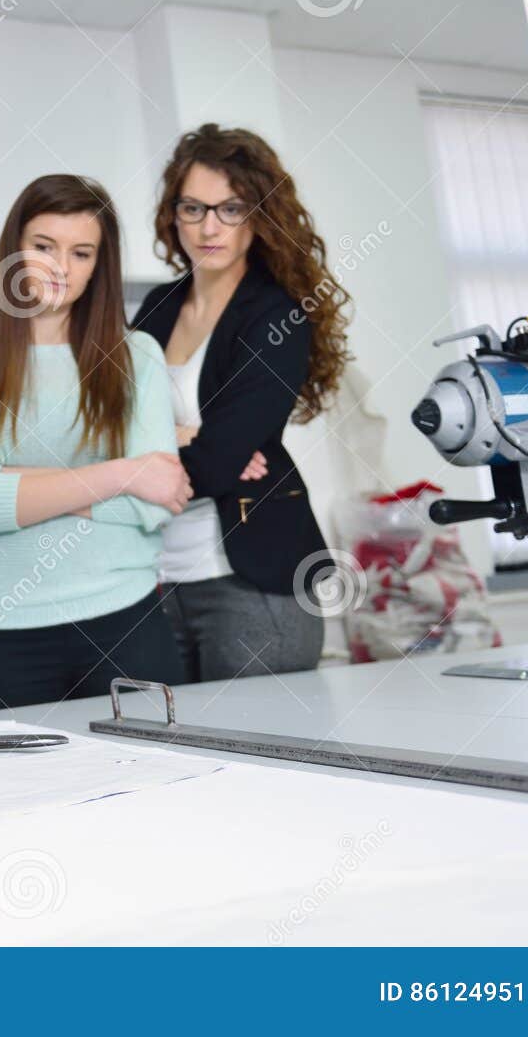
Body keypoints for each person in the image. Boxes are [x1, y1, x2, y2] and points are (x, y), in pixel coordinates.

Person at [0, 175, 193, 714]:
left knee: (162, 791)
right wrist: (123, 472)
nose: (60, 268)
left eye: (81, 253)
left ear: (100, 265)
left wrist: (17, 485)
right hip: (3, 633)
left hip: (127, 623)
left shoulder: (136, 356)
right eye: (43, 247)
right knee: (19, 799)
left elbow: (157, 502)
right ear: (14, 251)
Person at [131, 123, 350, 682]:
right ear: (172, 214)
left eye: (231, 209)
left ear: (260, 214)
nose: (209, 228)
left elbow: (217, 461)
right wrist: (184, 441)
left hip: (251, 586)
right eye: (193, 209)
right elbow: (110, 424)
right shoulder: (158, 306)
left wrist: (146, 460)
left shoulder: (276, 315)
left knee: (261, 760)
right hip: (153, 579)